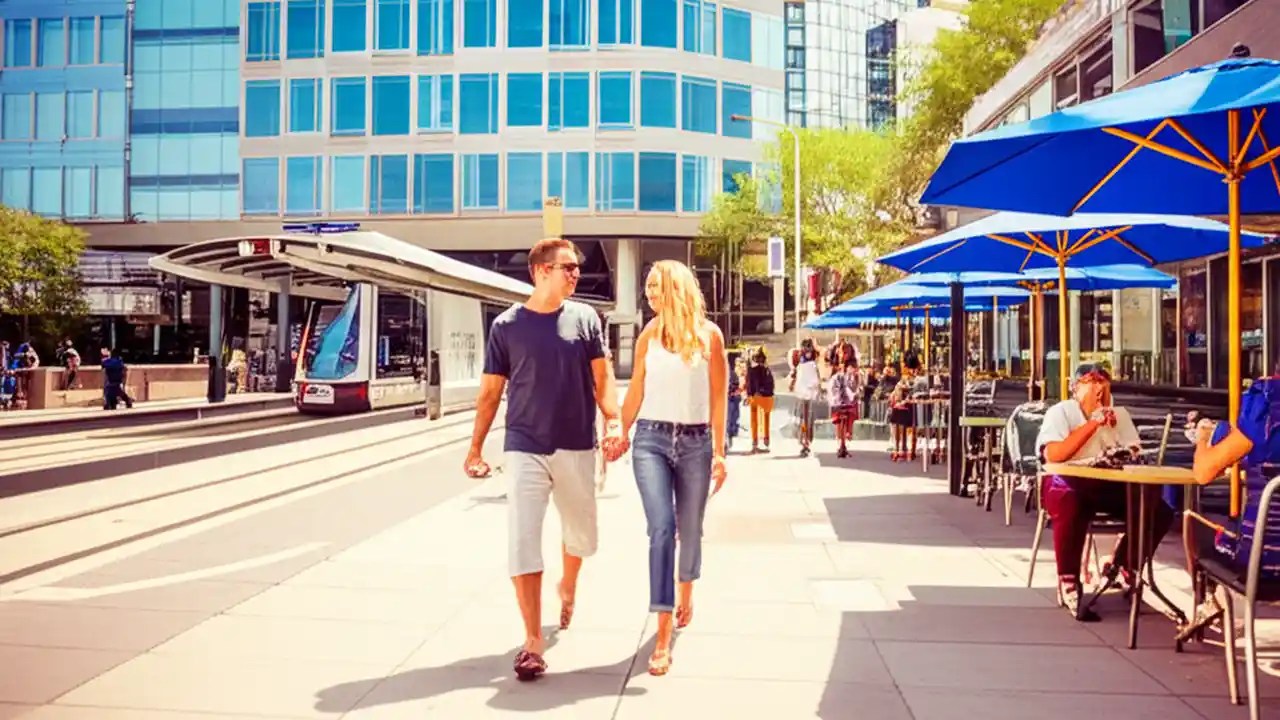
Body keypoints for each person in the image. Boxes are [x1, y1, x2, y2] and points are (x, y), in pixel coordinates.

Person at [463, 237, 622, 681]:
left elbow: (602, 378)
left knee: (582, 536)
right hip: (524, 444)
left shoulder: (586, 319)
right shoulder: (507, 327)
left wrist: (613, 420)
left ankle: (568, 584)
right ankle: (532, 640)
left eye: (576, 267)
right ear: (539, 271)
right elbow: (491, 392)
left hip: (576, 443)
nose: (576, 274)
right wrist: (475, 447)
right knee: (522, 538)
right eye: (567, 267)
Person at [615, 260, 728, 676]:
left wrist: (720, 452)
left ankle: (687, 588)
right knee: (661, 527)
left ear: (675, 287)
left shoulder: (710, 337)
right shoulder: (648, 335)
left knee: (691, 528)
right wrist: (618, 431)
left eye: (654, 286)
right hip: (651, 440)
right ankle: (662, 634)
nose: (648, 293)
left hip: (697, 442)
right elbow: (636, 391)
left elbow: (719, 398)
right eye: (645, 287)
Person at [1036, 364, 1172, 621]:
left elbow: (1134, 452)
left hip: (1108, 483)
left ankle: (1124, 566)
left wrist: (1121, 453)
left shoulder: (1119, 414)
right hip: (1068, 482)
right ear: (1076, 388)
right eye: (1091, 381)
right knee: (1069, 500)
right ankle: (1068, 580)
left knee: (1156, 506)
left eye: (1103, 382)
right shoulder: (1061, 412)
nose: (1098, 388)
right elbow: (1054, 455)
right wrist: (1092, 424)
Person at [789, 339, 822, 457]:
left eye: (809, 348)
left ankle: (806, 441)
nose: (807, 350)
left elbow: (816, 378)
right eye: (806, 347)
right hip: (803, 392)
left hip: (808, 393)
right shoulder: (803, 362)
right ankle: (805, 440)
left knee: (807, 419)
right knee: (804, 419)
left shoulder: (811, 363)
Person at [828, 358, 861, 458]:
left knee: (848, 420)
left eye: (854, 368)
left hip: (849, 403)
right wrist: (835, 399)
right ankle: (840, 444)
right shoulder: (838, 377)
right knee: (839, 423)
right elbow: (833, 389)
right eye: (851, 367)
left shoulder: (854, 377)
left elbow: (856, 390)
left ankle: (845, 443)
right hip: (839, 402)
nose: (853, 369)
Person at [745, 349, 774, 453]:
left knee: (755, 421)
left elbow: (749, 385)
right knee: (764, 421)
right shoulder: (766, 370)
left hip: (755, 398)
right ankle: (764, 441)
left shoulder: (751, 370)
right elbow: (770, 385)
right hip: (765, 398)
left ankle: (755, 443)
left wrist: (750, 395)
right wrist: (762, 392)